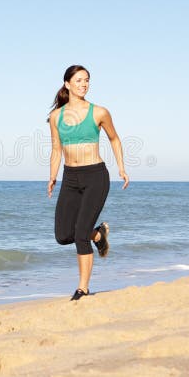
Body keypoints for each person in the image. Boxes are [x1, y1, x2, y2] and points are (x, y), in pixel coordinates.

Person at [47, 65, 129, 300]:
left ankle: (82, 288)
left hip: (95, 176)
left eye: (87, 80)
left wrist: (121, 167)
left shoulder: (99, 112)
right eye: (79, 80)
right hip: (70, 177)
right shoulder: (56, 117)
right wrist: (52, 176)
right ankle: (98, 235)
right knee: (63, 235)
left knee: (80, 234)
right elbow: (55, 149)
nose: (84, 84)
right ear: (67, 84)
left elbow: (114, 138)